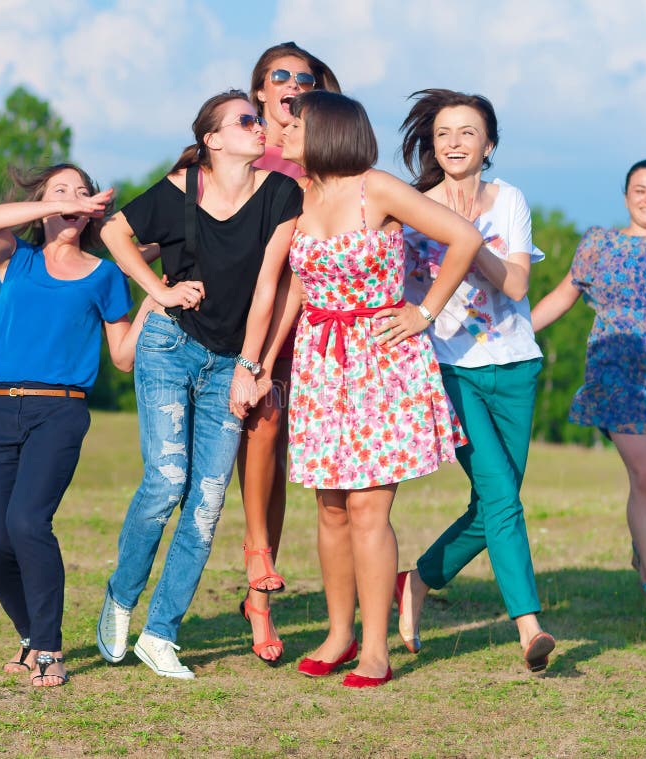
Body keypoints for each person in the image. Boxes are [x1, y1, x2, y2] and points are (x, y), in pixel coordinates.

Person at [256, 91, 482, 687]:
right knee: (329, 506)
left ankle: (377, 647)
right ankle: (339, 634)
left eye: (294, 123)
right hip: (320, 365)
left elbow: (464, 238)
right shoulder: (297, 197)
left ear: (326, 130)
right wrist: (259, 361)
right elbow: (298, 290)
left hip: (382, 361)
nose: (283, 130)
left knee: (368, 506)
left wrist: (424, 312)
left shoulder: (374, 187)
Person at [96, 89, 303, 679]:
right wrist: (157, 292)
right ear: (213, 139)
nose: (259, 126)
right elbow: (115, 233)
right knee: (167, 482)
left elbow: (269, 288)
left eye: (258, 119)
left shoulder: (282, 195)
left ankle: (161, 633)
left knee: (207, 503)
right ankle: (120, 597)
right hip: (168, 344)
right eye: (246, 119)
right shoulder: (183, 186)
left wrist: (251, 364)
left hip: (230, 362)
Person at [0, 163, 152, 687]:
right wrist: (57, 205)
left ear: (93, 208)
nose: (72, 198)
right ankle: (29, 634)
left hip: (60, 411)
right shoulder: (15, 260)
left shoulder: (105, 274)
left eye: (81, 192)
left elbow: (121, 357)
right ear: (43, 206)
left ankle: (48, 646)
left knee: (27, 523)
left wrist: (156, 298)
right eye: (60, 191)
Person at [389, 89, 556, 672]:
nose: (454, 142)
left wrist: (466, 238)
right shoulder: (409, 208)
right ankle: (529, 628)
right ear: (432, 146)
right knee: (503, 497)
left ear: (488, 145)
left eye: (467, 132)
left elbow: (513, 286)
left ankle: (417, 580)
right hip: (448, 368)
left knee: (493, 503)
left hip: (515, 364)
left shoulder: (508, 199)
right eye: (443, 134)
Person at [532, 158, 646, 633]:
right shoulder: (599, 243)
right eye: (640, 190)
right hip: (616, 371)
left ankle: (644, 550)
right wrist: (516, 335)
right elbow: (563, 295)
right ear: (626, 196)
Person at [236, 42, 341, 665]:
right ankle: (257, 578)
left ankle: (260, 594)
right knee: (260, 440)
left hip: (301, 328)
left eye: (305, 78)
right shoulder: (234, 151)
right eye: (280, 76)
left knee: (277, 457)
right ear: (258, 91)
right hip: (232, 322)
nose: (293, 84)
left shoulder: (317, 163)